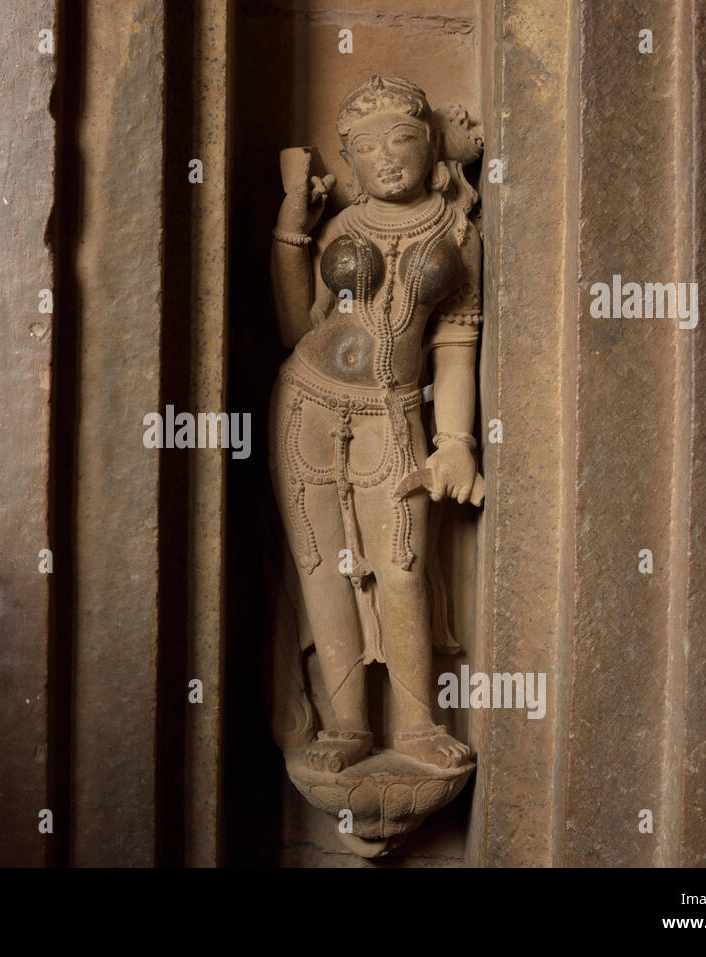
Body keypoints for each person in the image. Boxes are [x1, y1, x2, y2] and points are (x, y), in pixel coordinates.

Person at [269, 75, 481, 774]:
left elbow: (453, 345)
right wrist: (293, 226)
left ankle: (419, 723)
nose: (387, 157)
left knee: (401, 561)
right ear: (349, 161)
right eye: (365, 146)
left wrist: (455, 443)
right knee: (323, 565)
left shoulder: (456, 230)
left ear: (430, 146)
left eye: (403, 139)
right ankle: (348, 721)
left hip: (393, 410)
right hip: (308, 399)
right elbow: (296, 325)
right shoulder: (344, 227)